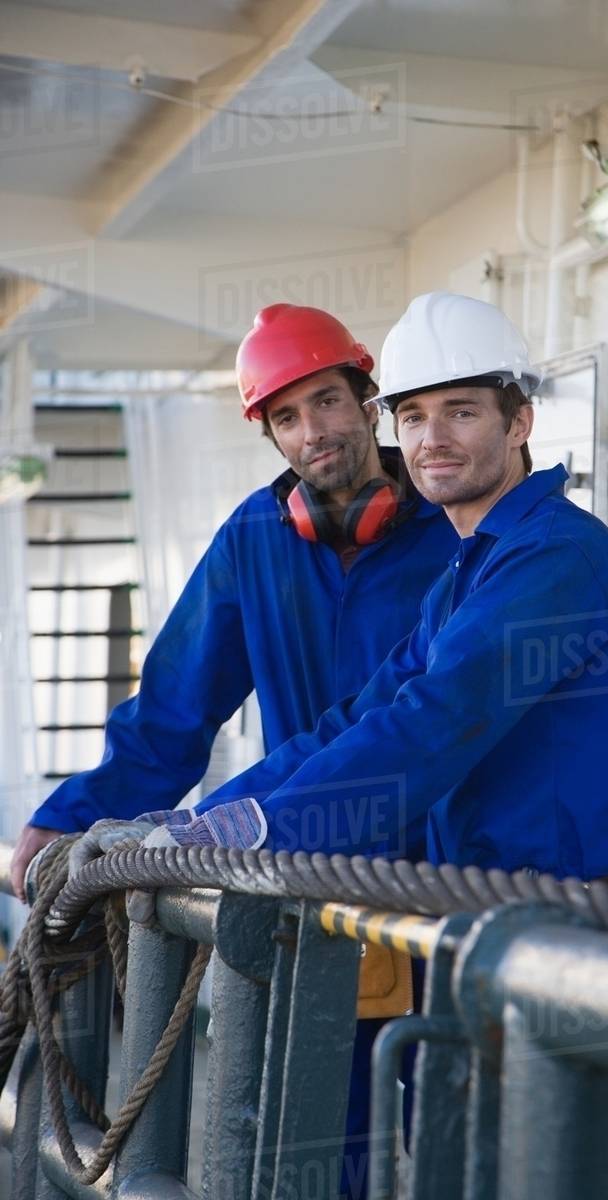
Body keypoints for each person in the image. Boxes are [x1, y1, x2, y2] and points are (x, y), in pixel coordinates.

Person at [159, 291, 608, 1199]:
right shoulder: (469, 569)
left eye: (462, 412)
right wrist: (214, 818)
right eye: (413, 416)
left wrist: (270, 832)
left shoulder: (557, 559)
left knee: (548, 1177)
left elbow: (436, 720)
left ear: (520, 420)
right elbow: (361, 712)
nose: (433, 438)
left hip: (557, 945)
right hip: (477, 944)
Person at [10, 302, 458, 1200]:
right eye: (286, 417)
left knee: (469, 1148)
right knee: (324, 1150)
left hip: (456, 882)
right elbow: (173, 713)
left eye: (328, 401)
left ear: (369, 400)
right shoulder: (252, 544)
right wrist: (62, 820)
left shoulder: (457, 527)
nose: (313, 432)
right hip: (318, 894)